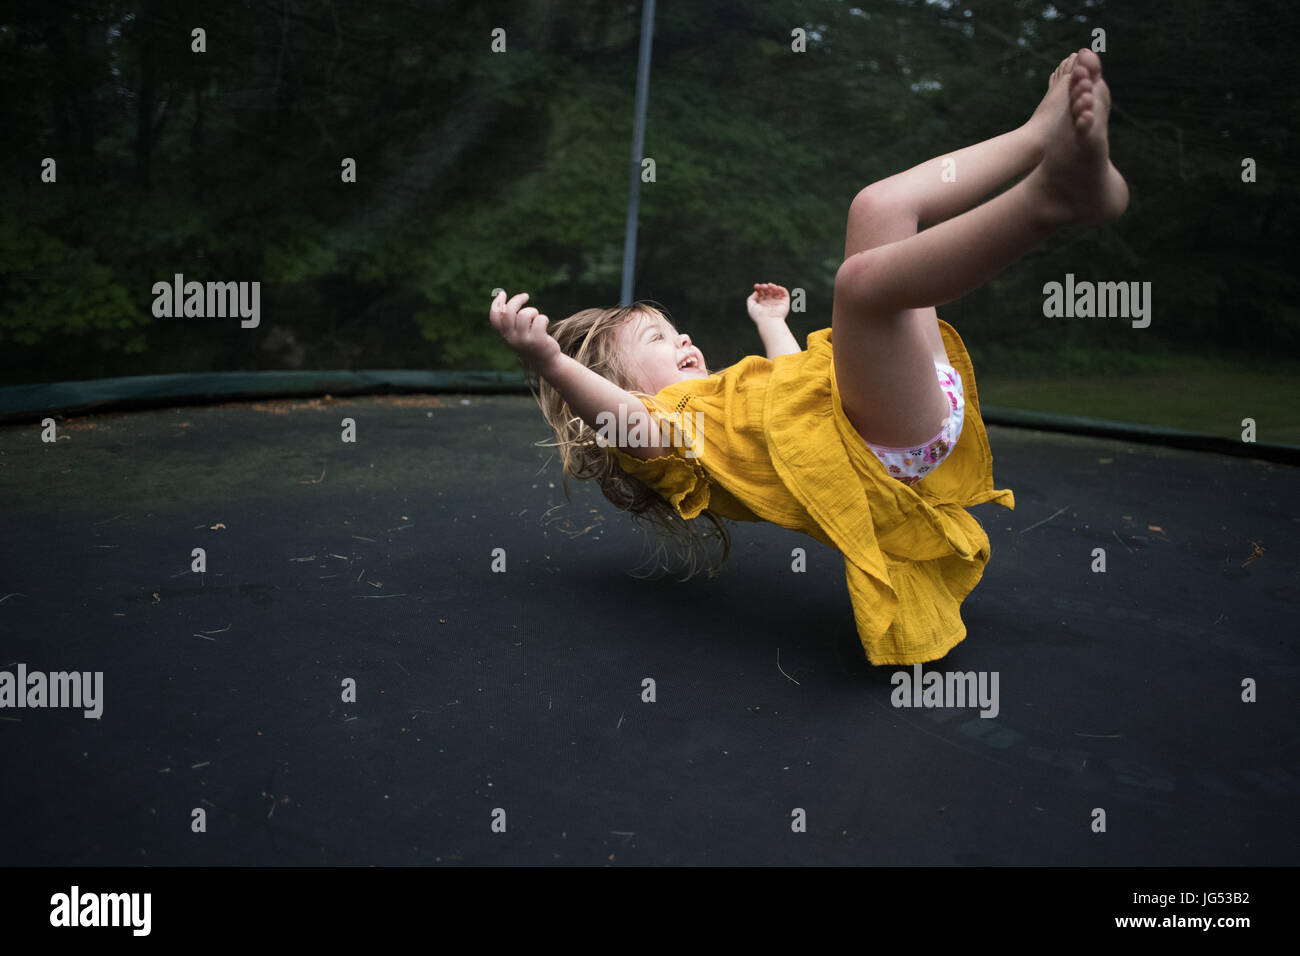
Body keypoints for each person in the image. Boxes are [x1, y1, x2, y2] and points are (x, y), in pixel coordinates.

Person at [489, 50, 1128, 665]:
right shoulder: (671, 438)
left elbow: (799, 392)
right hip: (883, 450)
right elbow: (623, 417)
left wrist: (772, 326)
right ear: (622, 394)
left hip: (893, 406)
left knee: (878, 207)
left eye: (674, 329)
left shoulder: (733, 403)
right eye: (657, 341)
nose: (683, 341)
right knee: (860, 287)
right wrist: (550, 362)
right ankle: (1053, 199)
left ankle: (1038, 136)